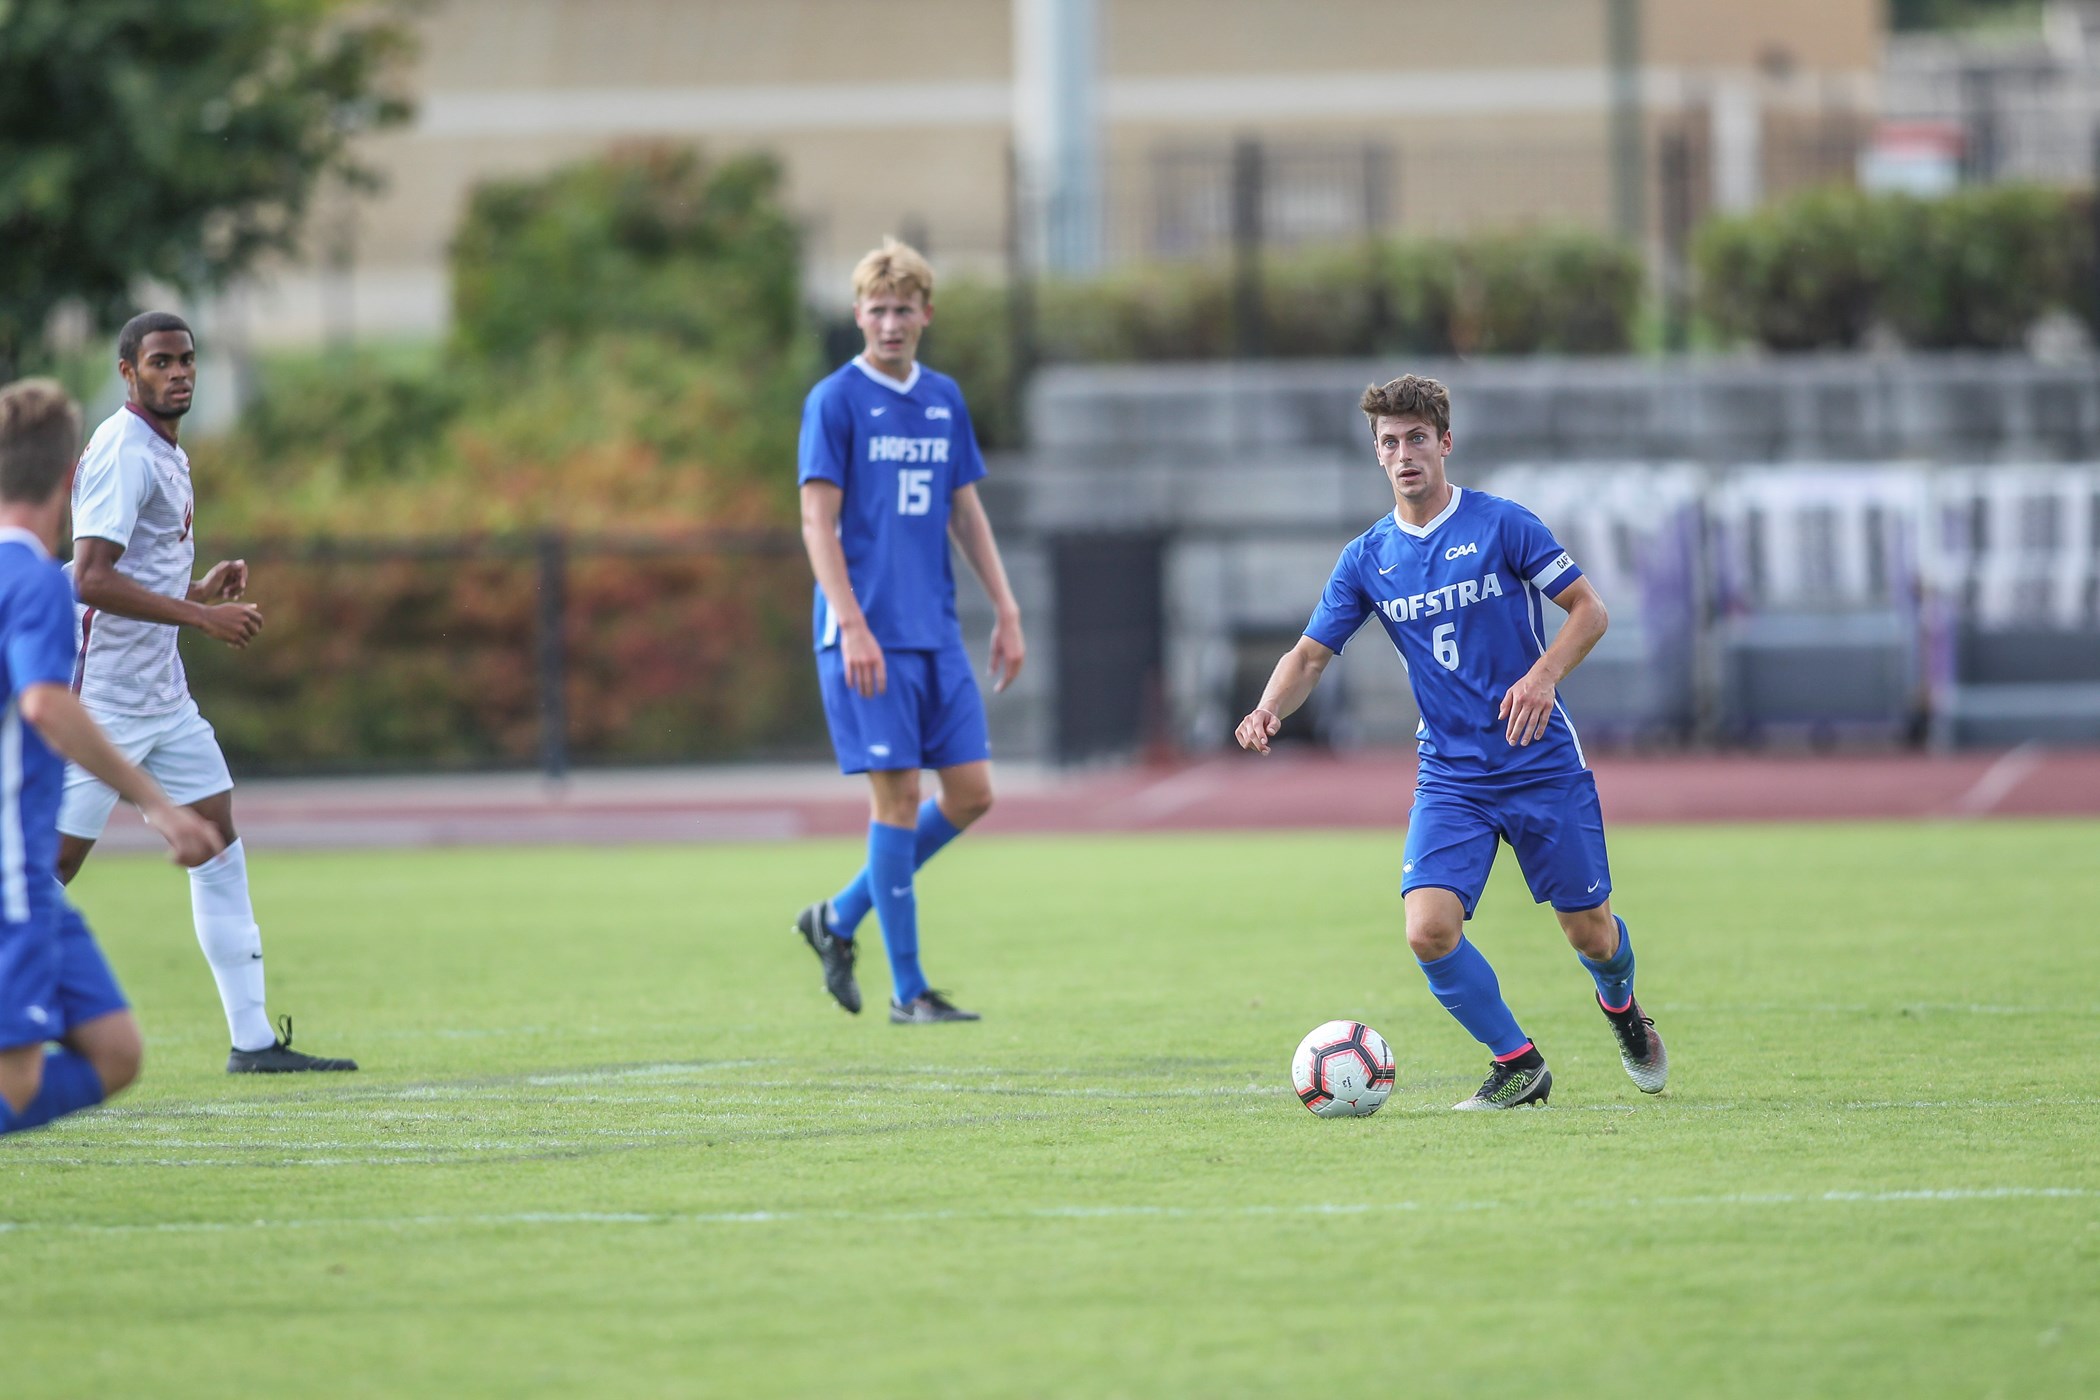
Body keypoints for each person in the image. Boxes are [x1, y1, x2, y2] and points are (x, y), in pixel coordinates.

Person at [1236, 374, 1666, 1109]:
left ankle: (1623, 1010)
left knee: (1590, 934)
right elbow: (1310, 655)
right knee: (1428, 930)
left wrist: (1541, 676)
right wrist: (1269, 707)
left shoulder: (1503, 524)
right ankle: (1519, 1064)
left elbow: (1588, 612)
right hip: (1452, 775)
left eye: (1417, 439)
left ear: (1445, 443)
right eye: (1390, 443)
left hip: (1538, 762)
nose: (1405, 454)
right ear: (1376, 455)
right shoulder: (1367, 558)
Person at [58, 312, 355, 1073]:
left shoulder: (163, 447)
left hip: (164, 699)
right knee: (44, 873)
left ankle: (252, 1042)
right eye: (161, 362)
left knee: (217, 848)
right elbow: (88, 579)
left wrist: (194, 586)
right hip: (104, 703)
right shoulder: (126, 450)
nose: (179, 372)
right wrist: (200, 615)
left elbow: (121, 576)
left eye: (187, 360)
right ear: (128, 372)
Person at [791, 239, 1025, 1024]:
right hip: (865, 639)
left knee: (971, 794)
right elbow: (816, 524)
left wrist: (1007, 608)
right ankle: (909, 991)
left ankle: (837, 916)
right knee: (896, 803)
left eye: (903, 309)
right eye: (876, 309)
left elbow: (966, 510)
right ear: (858, 315)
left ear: (925, 314)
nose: (889, 323)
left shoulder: (944, 398)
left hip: (934, 632)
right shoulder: (834, 401)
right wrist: (851, 625)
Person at [0, 379, 224, 1136]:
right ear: (71, 477)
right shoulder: (30, 581)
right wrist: (157, 806)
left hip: (30, 873)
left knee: (116, 1052)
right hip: (8, 872)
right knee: (20, 1081)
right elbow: (46, 704)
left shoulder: (30, 579)